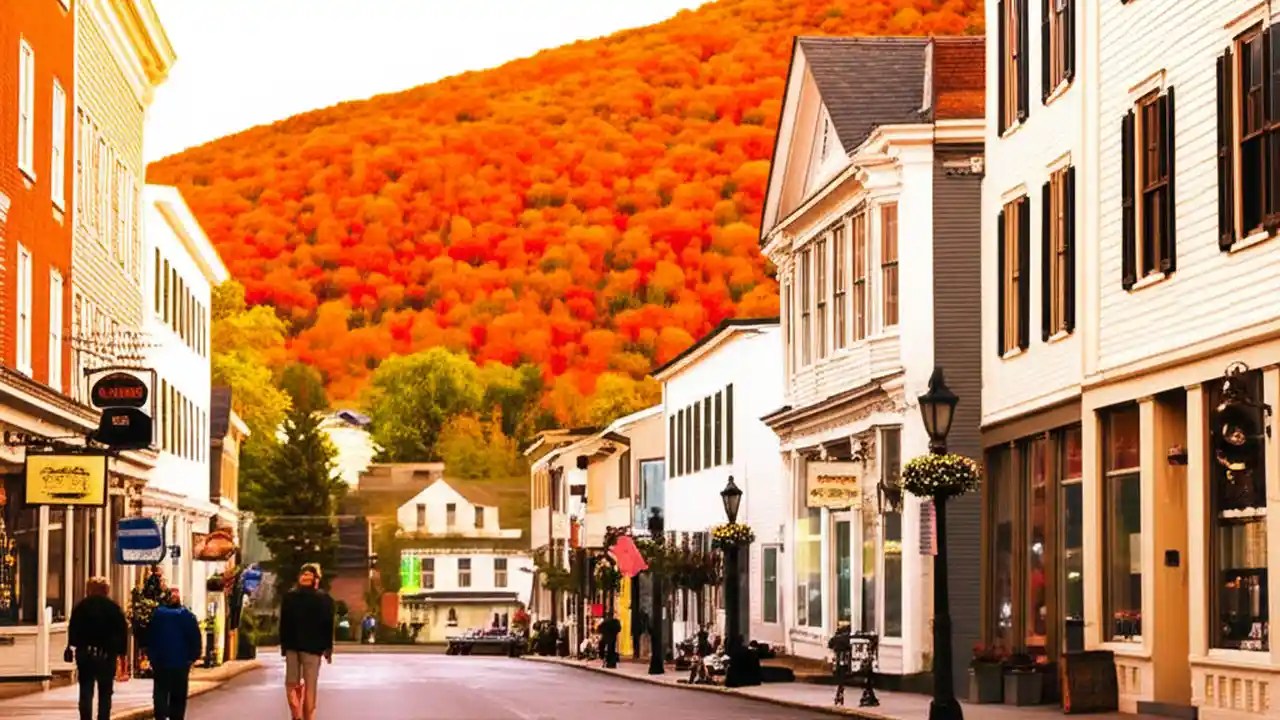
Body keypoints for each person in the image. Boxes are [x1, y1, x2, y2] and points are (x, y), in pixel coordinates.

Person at [68, 577, 128, 720]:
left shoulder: (81, 607)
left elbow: (73, 631)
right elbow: (121, 631)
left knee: (86, 691)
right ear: (106, 590)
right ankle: (103, 717)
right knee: (105, 692)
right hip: (106, 656)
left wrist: (75, 645)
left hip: (86, 655)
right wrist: (121, 653)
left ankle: (86, 717)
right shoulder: (113, 608)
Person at [280, 563, 334, 720]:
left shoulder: (289, 597)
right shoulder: (324, 599)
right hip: (313, 649)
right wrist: (328, 648)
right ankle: (307, 716)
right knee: (310, 686)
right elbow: (327, 625)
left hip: (292, 647)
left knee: (291, 684)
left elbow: (284, 624)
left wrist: (284, 646)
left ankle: (296, 714)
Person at [147, 588, 202, 720]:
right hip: (180, 662)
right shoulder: (187, 616)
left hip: (161, 661)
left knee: (160, 690)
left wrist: (152, 656)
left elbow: (150, 636)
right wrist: (193, 656)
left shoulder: (158, 615)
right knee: (178, 694)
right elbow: (194, 638)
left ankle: (160, 715)